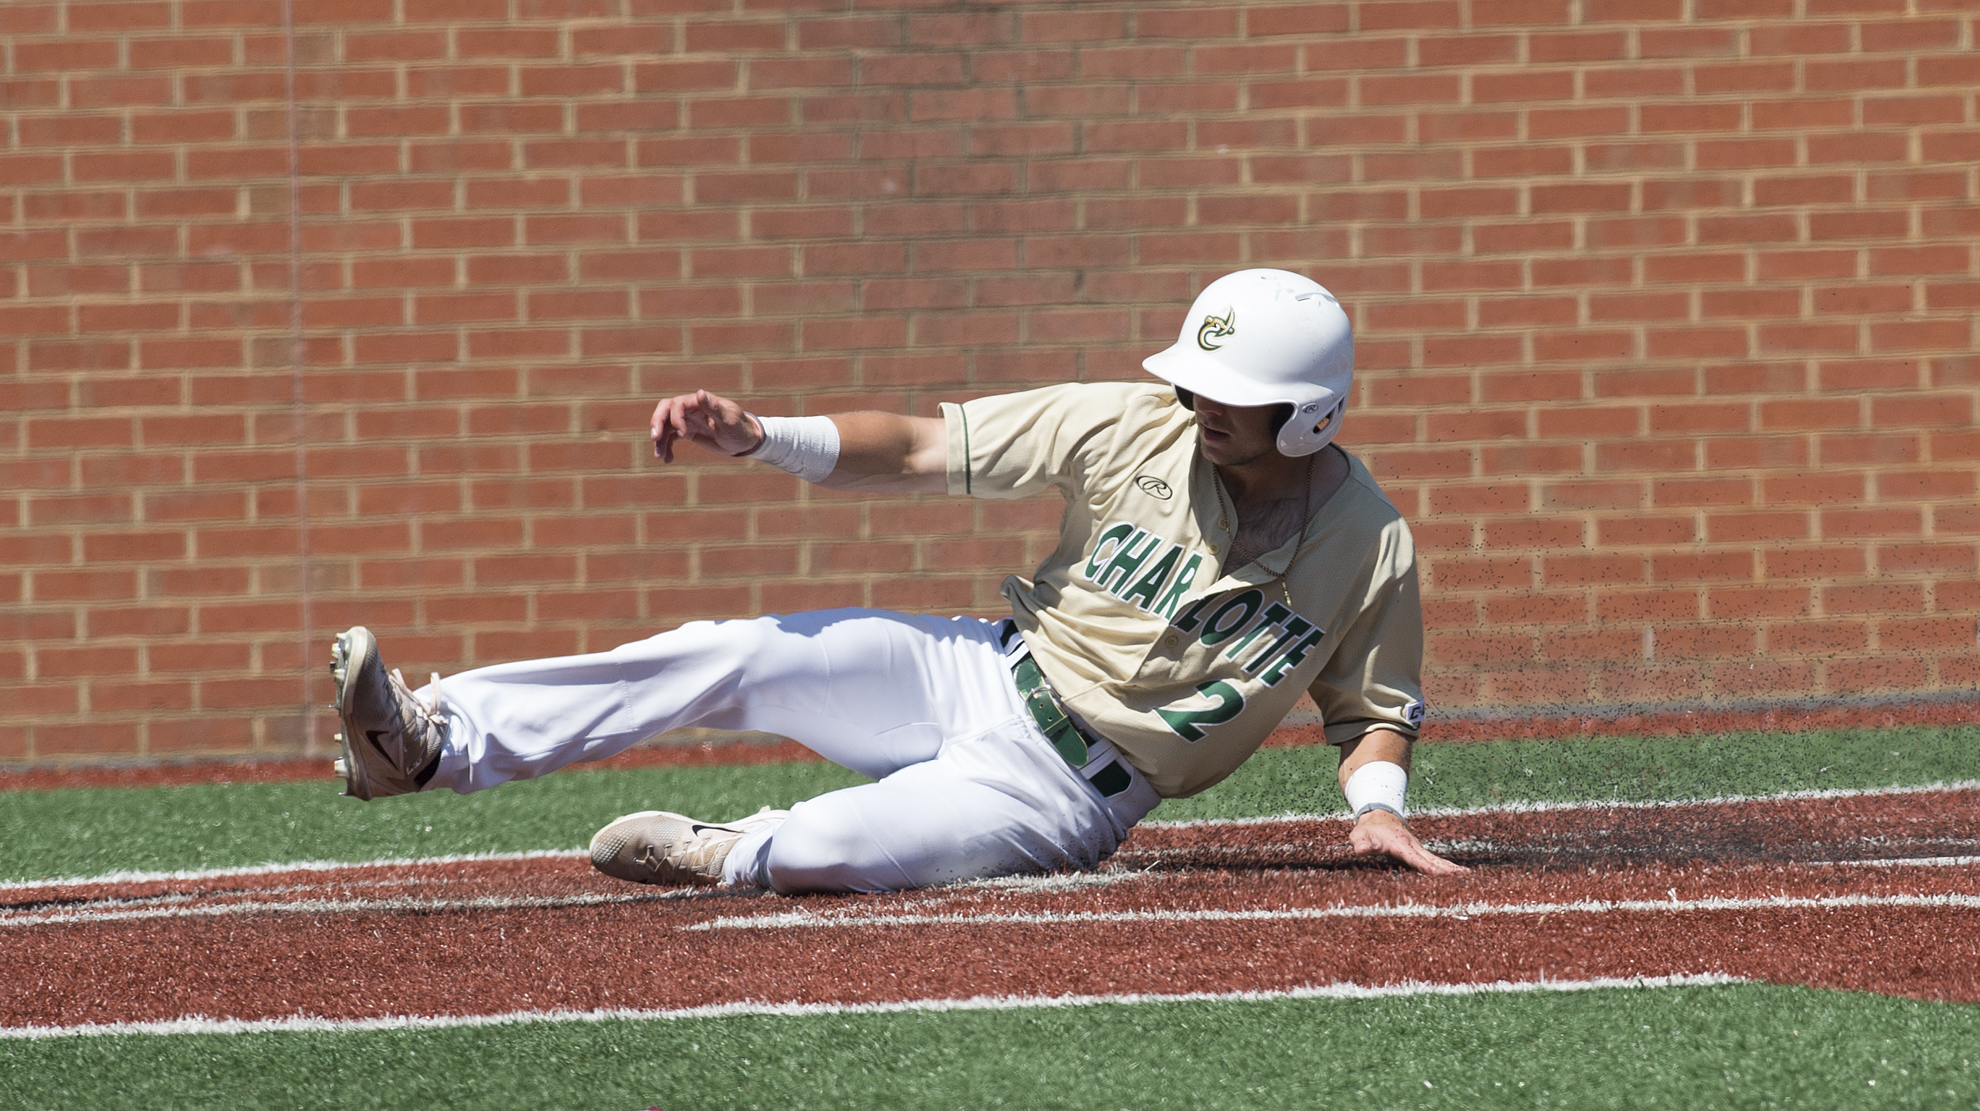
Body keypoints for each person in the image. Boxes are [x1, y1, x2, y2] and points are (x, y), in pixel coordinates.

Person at [327, 268, 1466, 893]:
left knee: (833, 849)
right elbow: (924, 446)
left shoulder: (1369, 546)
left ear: (1310, 411)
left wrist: (1377, 812)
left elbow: (1370, 712)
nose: (1198, 402)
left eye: (1234, 389)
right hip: (977, 671)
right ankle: (434, 738)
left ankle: (733, 848)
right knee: (741, 652)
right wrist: (760, 433)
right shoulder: (1132, 426)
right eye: (1195, 378)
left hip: (1070, 795)